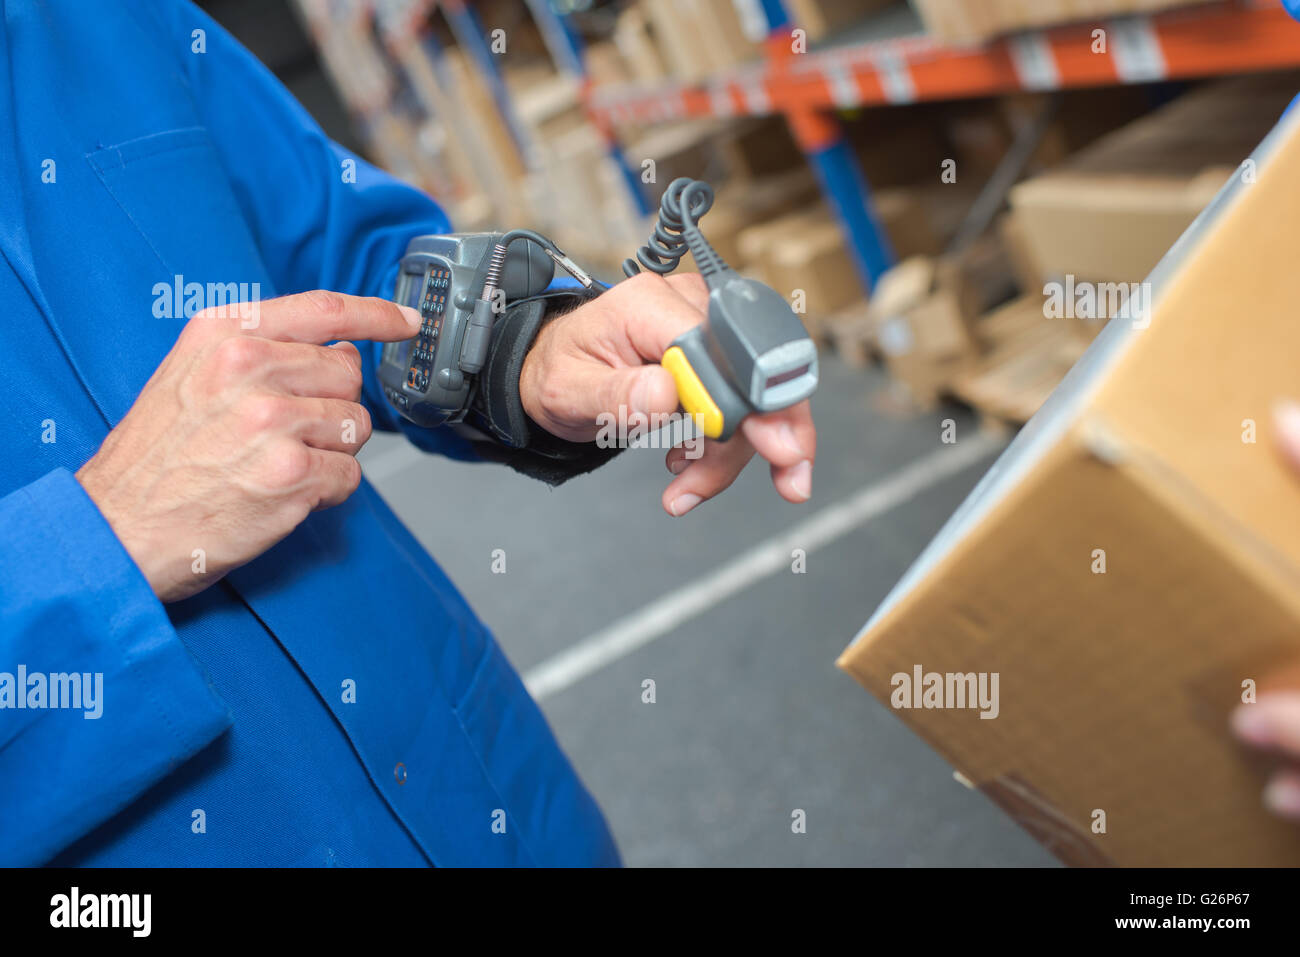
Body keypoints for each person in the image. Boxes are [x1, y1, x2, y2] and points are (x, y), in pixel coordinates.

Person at [0, 0, 815, 865]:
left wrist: (524, 348)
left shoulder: (97, 18)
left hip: (485, 799)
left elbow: (338, 264)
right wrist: (98, 549)